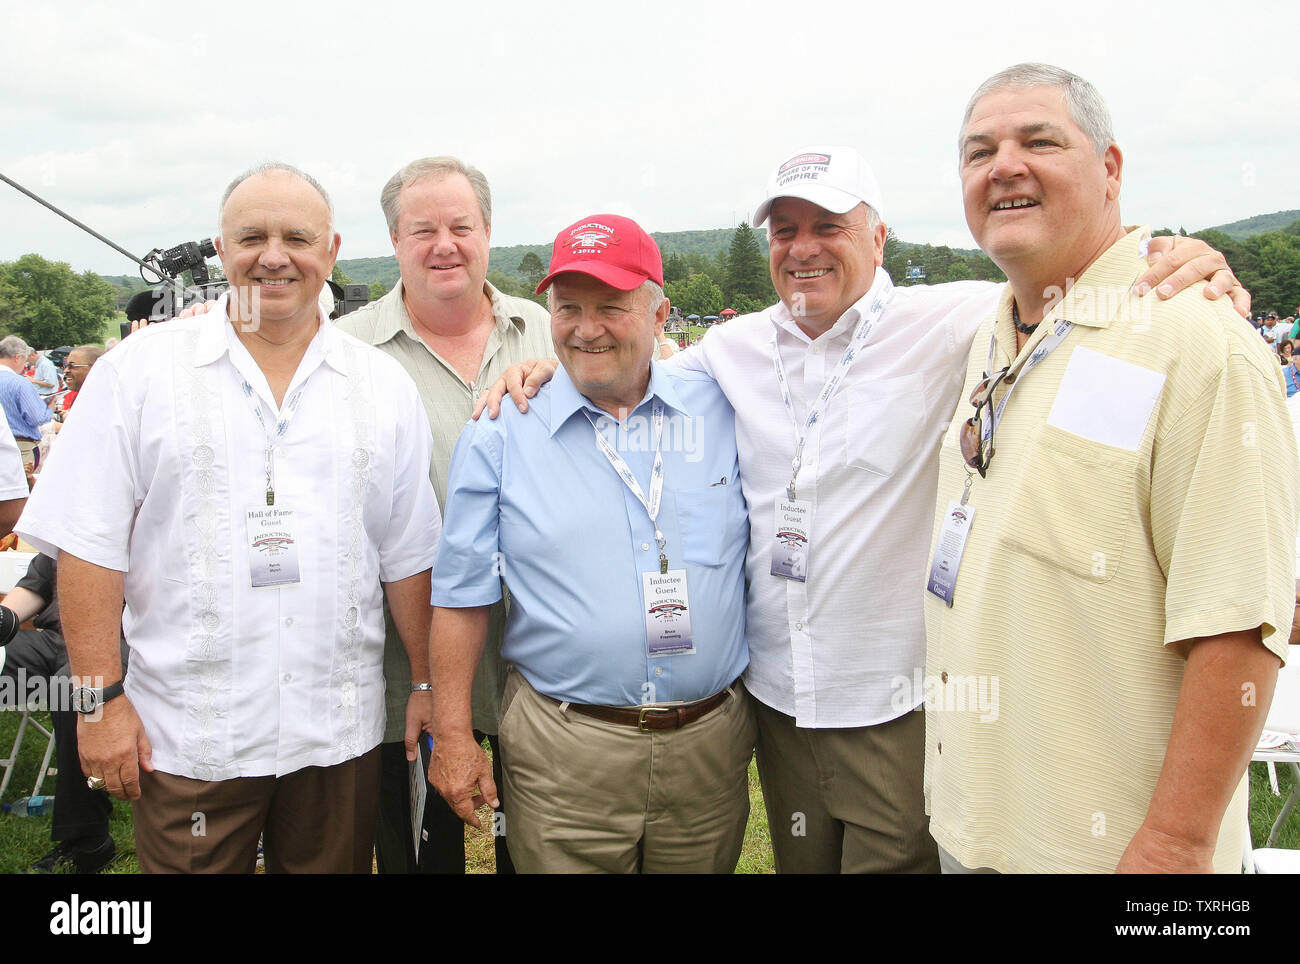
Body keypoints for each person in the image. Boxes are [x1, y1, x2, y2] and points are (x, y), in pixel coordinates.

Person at [481, 150, 1248, 874]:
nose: (801, 248)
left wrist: (1185, 262)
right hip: (777, 703)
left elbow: (1073, 291)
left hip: (894, 699)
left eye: (828, 226)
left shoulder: (955, 321)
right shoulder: (729, 351)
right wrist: (550, 366)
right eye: (784, 230)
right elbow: (622, 357)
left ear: (879, 237)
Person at [15, 162, 442, 874]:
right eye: (252, 237)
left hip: (334, 737)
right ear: (222, 247)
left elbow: (409, 557)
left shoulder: (381, 386)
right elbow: (88, 549)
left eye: (296, 237)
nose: (274, 255)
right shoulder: (140, 373)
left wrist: (427, 686)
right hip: (191, 738)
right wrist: (97, 701)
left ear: (331, 251)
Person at [924, 62, 1297, 874]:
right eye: (978, 150)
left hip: (1112, 856)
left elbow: (1237, 624)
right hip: (977, 826)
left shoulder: (1200, 342)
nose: (1004, 165)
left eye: (1039, 141)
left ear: (1112, 170)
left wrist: (1175, 844)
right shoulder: (992, 332)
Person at [428, 214, 753, 873]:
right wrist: (455, 735)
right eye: (568, 307)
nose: (586, 327)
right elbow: (461, 595)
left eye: (612, 306)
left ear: (661, 313)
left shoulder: (723, 406)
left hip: (710, 751)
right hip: (565, 751)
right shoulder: (502, 429)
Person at [335, 156, 553, 874]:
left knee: (538, 844)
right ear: (395, 241)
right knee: (420, 851)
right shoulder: (346, 352)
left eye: (461, 226)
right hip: (409, 652)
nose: (444, 244)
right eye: (422, 229)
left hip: (535, 645)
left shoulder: (546, 331)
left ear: (487, 231)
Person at [0, 553, 125, 873]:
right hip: (52, 640)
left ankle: (89, 839)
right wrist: (5, 617)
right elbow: (33, 588)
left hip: (113, 643)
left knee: (74, 690)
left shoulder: (143, 524)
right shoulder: (67, 525)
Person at [0, 337, 54, 466]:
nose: (25, 365)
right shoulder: (20, 383)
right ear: (17, 358)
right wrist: (49, 408)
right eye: (24, 360)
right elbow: (36, 418)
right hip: (18, 447)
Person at [57, 345, 103, 415]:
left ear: (93, 367)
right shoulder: (83, 397)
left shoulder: (102, 401)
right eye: (66, 366)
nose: (66, 370)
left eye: (71, 366)